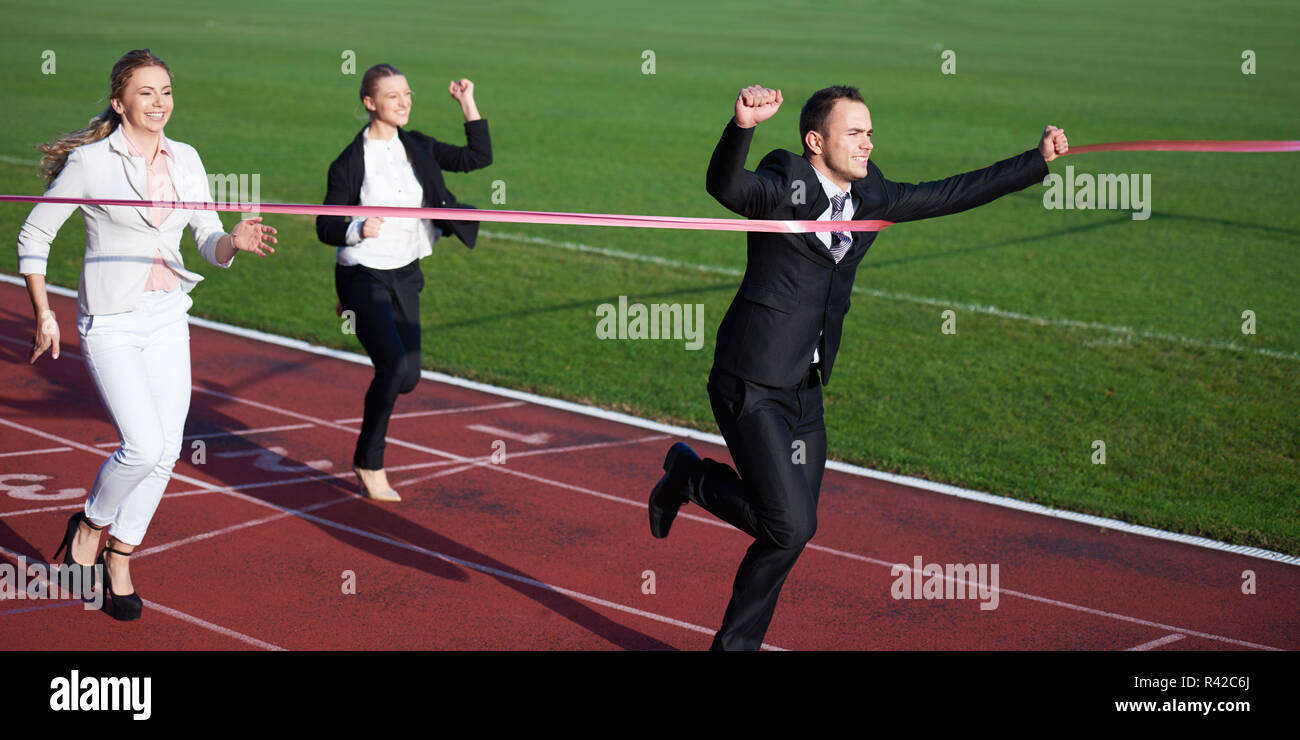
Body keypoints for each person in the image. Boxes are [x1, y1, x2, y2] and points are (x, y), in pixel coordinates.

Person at [648, 84, 1068, 650]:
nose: (868, 142)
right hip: (751, 382)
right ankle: (692, 479)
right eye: (855, 132)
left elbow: (949, 193)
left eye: (869, 131)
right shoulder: (786, 181)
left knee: (787, 535)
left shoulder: (871, 195)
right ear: (815, 141)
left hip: (806, 392)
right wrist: (742, 126)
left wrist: (1034, 161)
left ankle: (728, 629)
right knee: (792, 524)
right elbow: (726, 186)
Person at [18, 48, 278, 621]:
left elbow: (208, 240)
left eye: (165, 91)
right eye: (146, 92)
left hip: (166, 314)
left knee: (166, 449)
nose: (159, 102)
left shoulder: (187, 158)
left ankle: (121, 555)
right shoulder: (91, 162)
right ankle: (88, 526)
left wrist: (235, 241)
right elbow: (34, 236)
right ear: (120, 102)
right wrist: (43, 312)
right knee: (141, 445)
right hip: (110, 318)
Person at [315, 63, 491, 502]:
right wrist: (356, 228)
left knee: (408, 377)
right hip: (362, 271)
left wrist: (467, 102)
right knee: (392, 367)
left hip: (407, 270)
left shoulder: (419, 146)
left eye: (408, 93)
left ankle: (357, 317)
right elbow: (324, 225)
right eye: (393, 96)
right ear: (370, 103)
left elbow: (477, 158)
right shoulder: (350, 161)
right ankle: (369, 462)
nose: (405, 101)